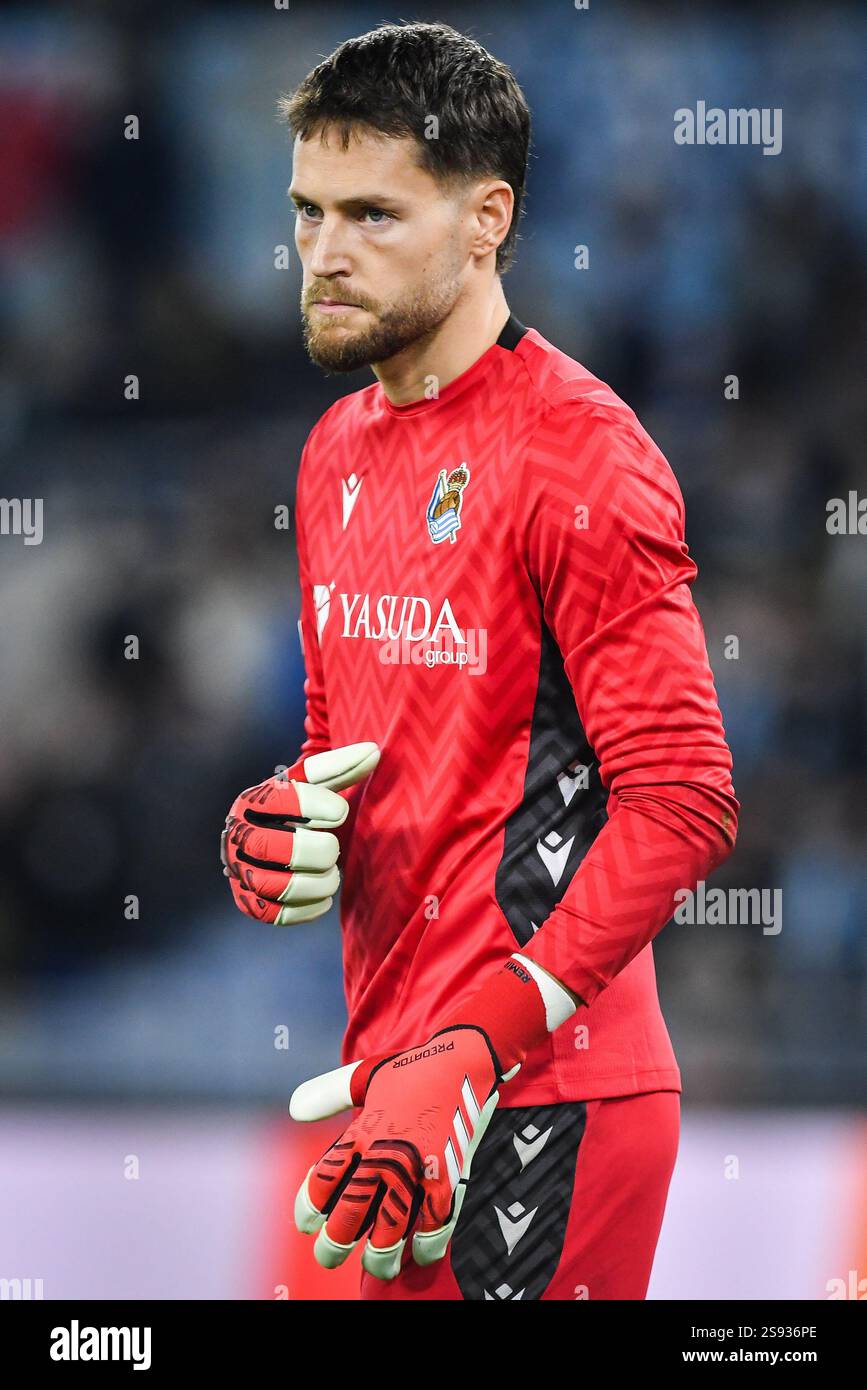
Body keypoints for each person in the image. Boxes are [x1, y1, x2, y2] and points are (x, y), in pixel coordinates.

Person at [221, 21, 738, 1301]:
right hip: (396, 1098)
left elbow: (686, 799)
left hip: (542, 1092)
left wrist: (474, 1046)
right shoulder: (334, 449)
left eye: (372, 215)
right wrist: (281, 824)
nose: (324, 254)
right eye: (307, 212)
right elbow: (354, 747)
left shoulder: (580, 453)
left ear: (486, 217)